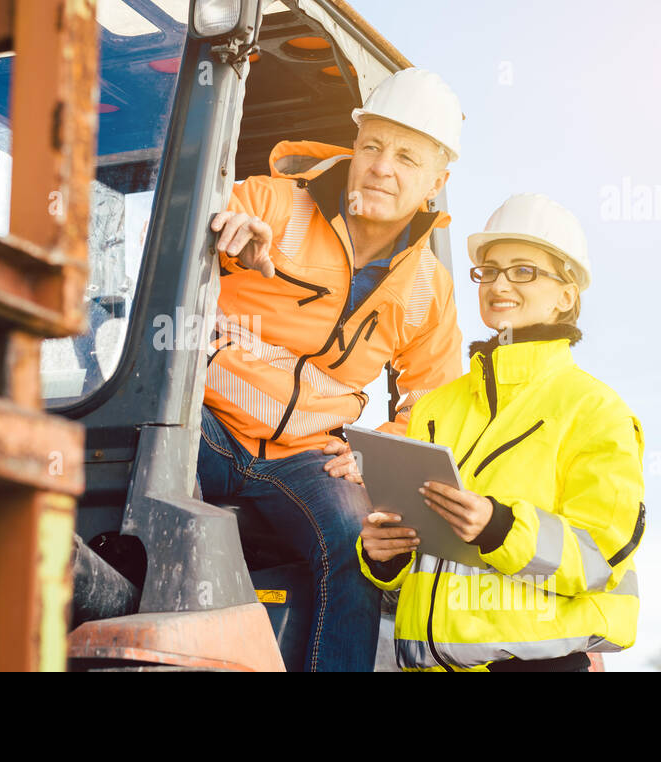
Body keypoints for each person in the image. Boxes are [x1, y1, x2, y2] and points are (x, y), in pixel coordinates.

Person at [198, 68, 465, 671]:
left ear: (437, 179)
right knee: (131, 478)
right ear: (355, 143)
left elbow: (436, 400)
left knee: (358, 544)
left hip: (308, 455)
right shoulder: (270, 202)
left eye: (406, 156)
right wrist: (226, 246)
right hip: (205, 425)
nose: (381, 166)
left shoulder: (431, 288)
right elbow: (185, 240)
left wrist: (382, 452)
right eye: (372, 145)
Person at [357, 193, 646, 672]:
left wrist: (501, 528)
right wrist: (385, 557)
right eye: (489, 270)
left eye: (523, 271)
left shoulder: (595, 411)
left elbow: (601, 557)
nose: (499, 284)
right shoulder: (435, 407)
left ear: (567, 295)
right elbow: (426, 564)